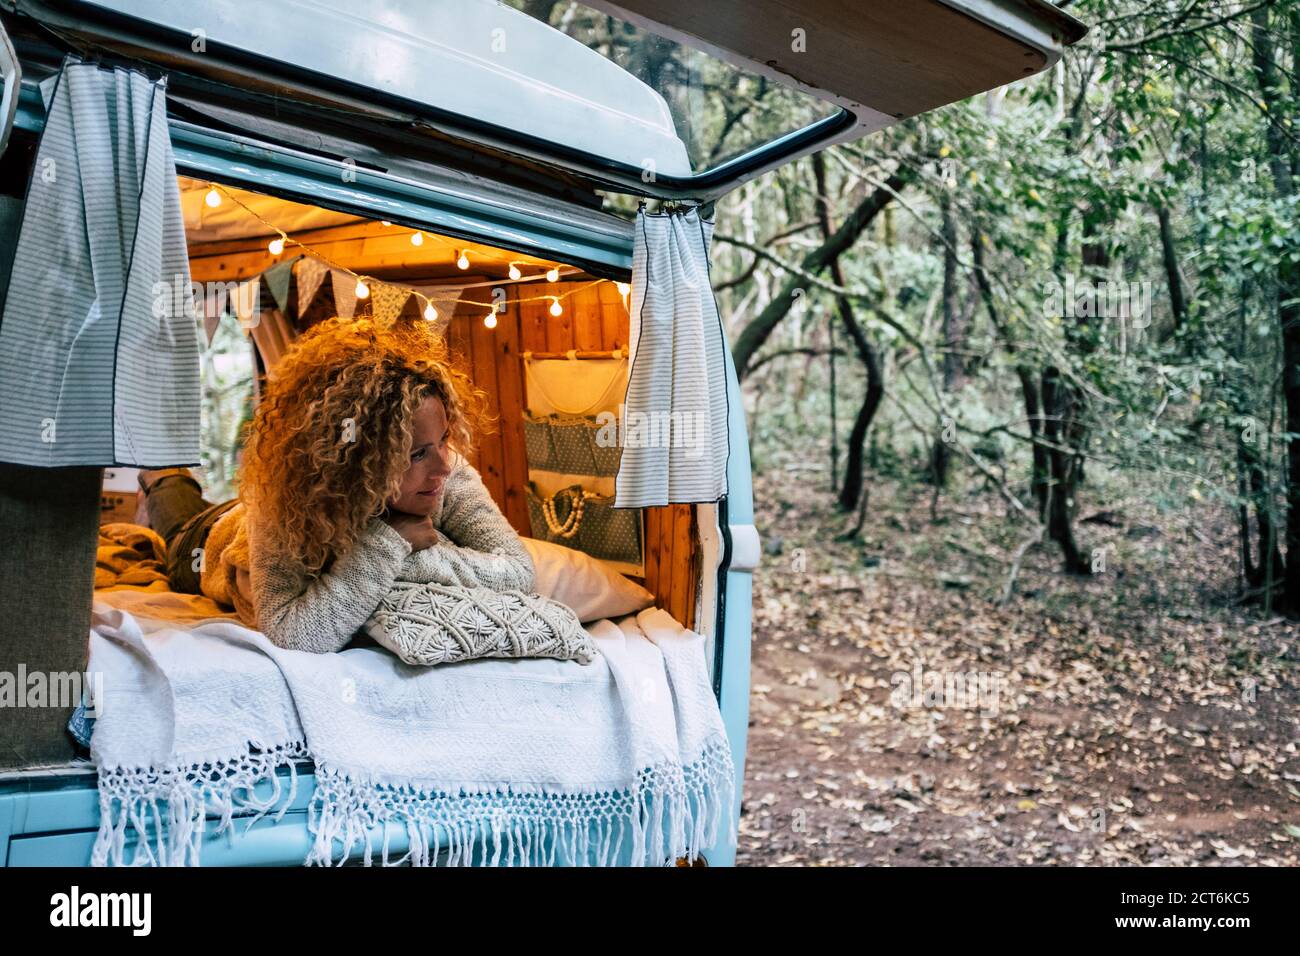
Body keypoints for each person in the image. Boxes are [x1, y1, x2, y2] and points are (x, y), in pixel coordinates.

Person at [138, 315, 534, 654]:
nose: (443, 467)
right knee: (175, 518)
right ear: (353, 460)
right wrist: (386, 543)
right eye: (415, 455)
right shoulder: (283, 500)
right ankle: (162, 474)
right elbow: (293, 632)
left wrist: (409, 552)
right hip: (210, 540)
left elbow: (516, 571)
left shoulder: (447, 472)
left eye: (444, 440)